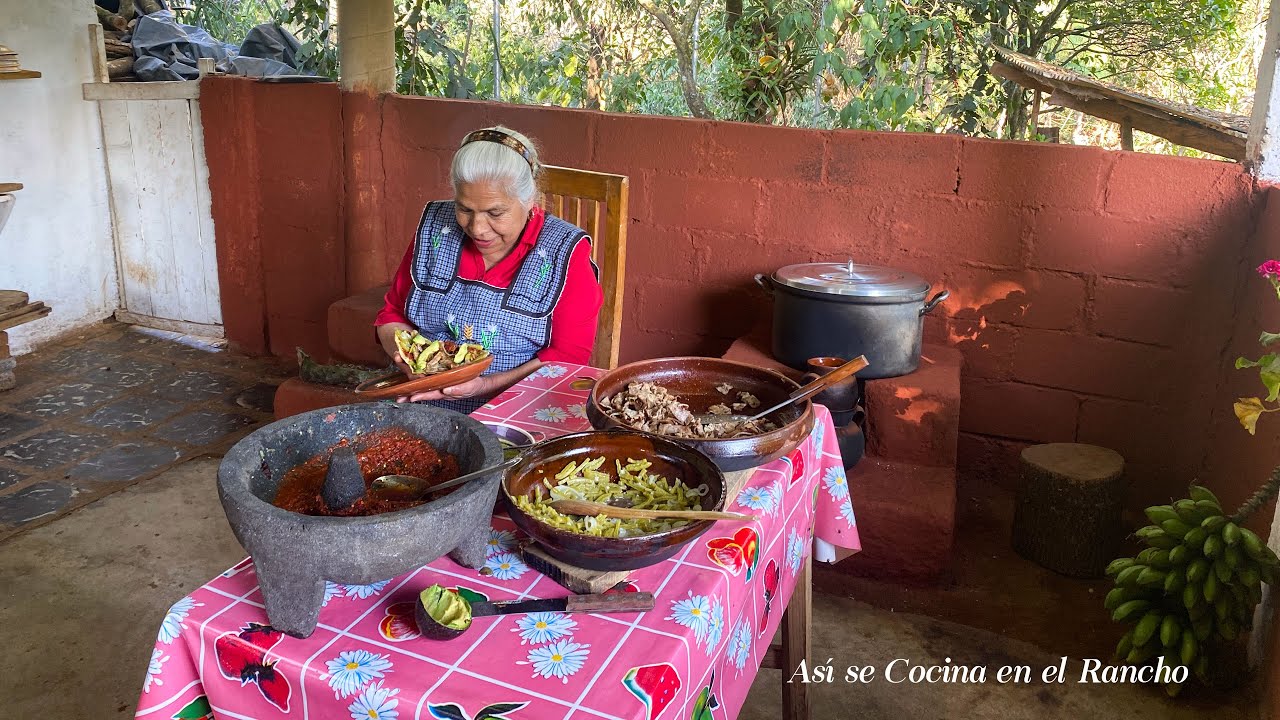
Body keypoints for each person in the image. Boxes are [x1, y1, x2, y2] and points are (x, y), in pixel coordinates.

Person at [374, 126, 604, 414]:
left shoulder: (564, 252)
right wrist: (409, 361)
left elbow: (568, 357)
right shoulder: (437, 228)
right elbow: (392, 314)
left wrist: (484, 384)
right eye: (465, 209)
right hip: (421, 397)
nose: (477, 228)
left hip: (517, 406)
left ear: (529, 200)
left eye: (495, 213)